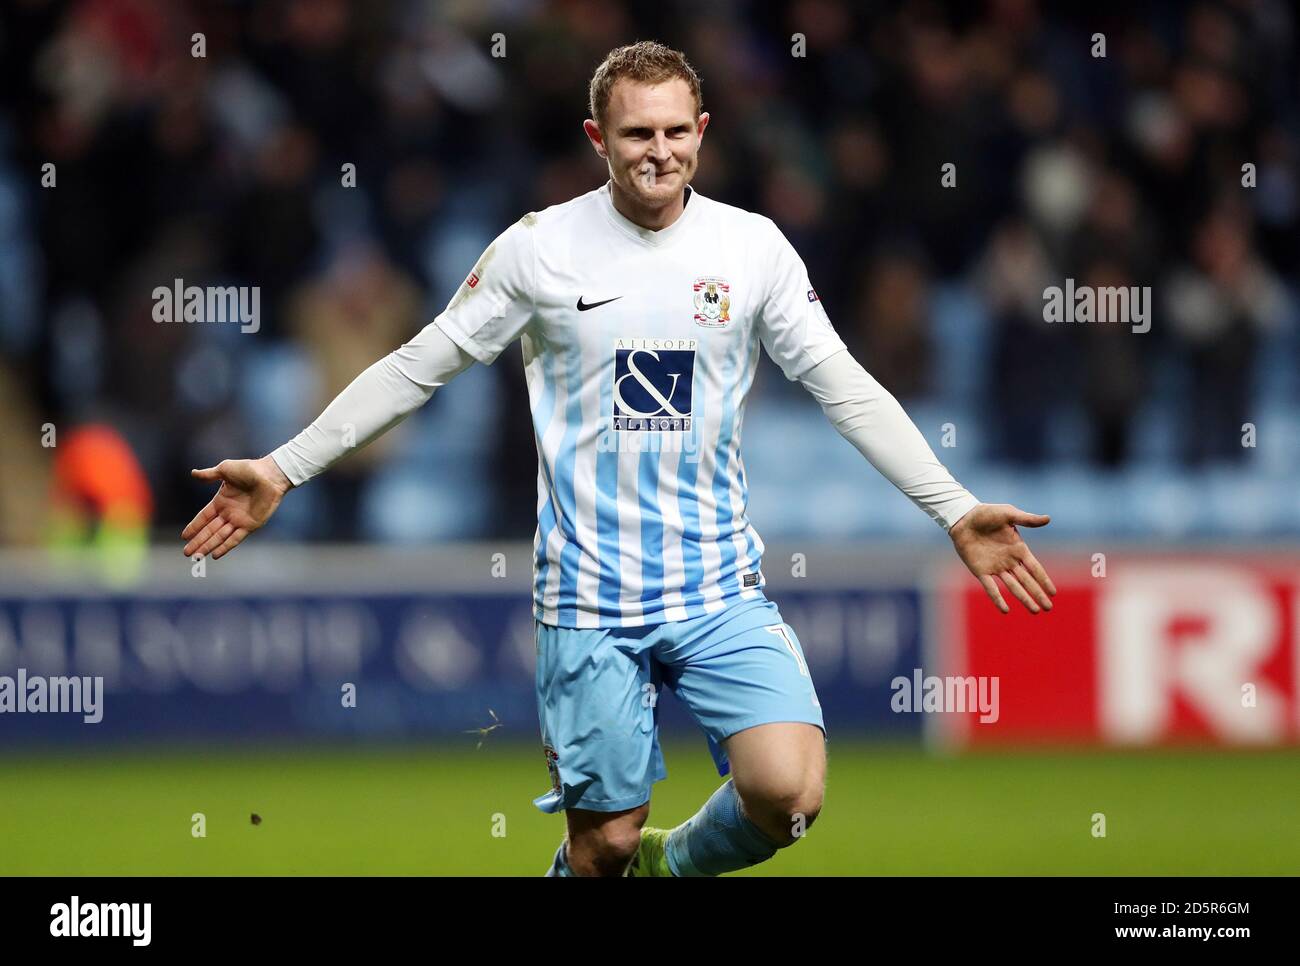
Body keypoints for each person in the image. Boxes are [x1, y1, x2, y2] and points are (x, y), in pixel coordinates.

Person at [181, 41, 1056, 877]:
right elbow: (421, 364)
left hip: (717, 585)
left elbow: (846, 388)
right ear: (599, 139)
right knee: (602, 850)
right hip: (589, 596)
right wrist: (285, 466)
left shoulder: (751, 250)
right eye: (638, 133)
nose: (660, 152)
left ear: (703, 132)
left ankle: (673, 864)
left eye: (677, 132)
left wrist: (952, 507)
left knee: (788, 794)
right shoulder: (538, 248)